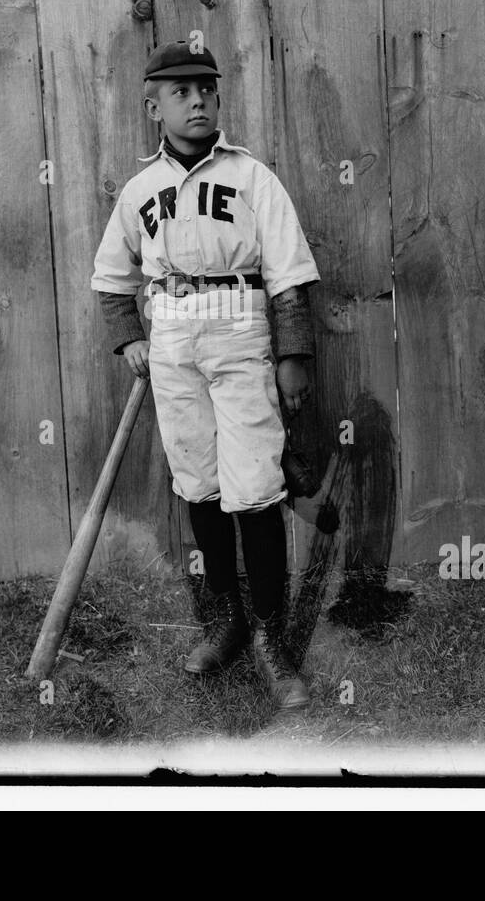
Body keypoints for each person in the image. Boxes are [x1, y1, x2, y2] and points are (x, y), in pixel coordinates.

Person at [90, 39, 319, 711]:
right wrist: (129, 337)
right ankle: (226, 621)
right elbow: (110, 279)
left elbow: (289, 273)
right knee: (198, 481)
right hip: (171, 338)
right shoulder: (139, 190)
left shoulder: (252, 177)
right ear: (152, 105)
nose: (196, 101)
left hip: (239, 326)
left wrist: (293, 357)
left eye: (205, 90)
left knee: (254, 487)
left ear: (218, 99)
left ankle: (273, 639)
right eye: (180, 92)